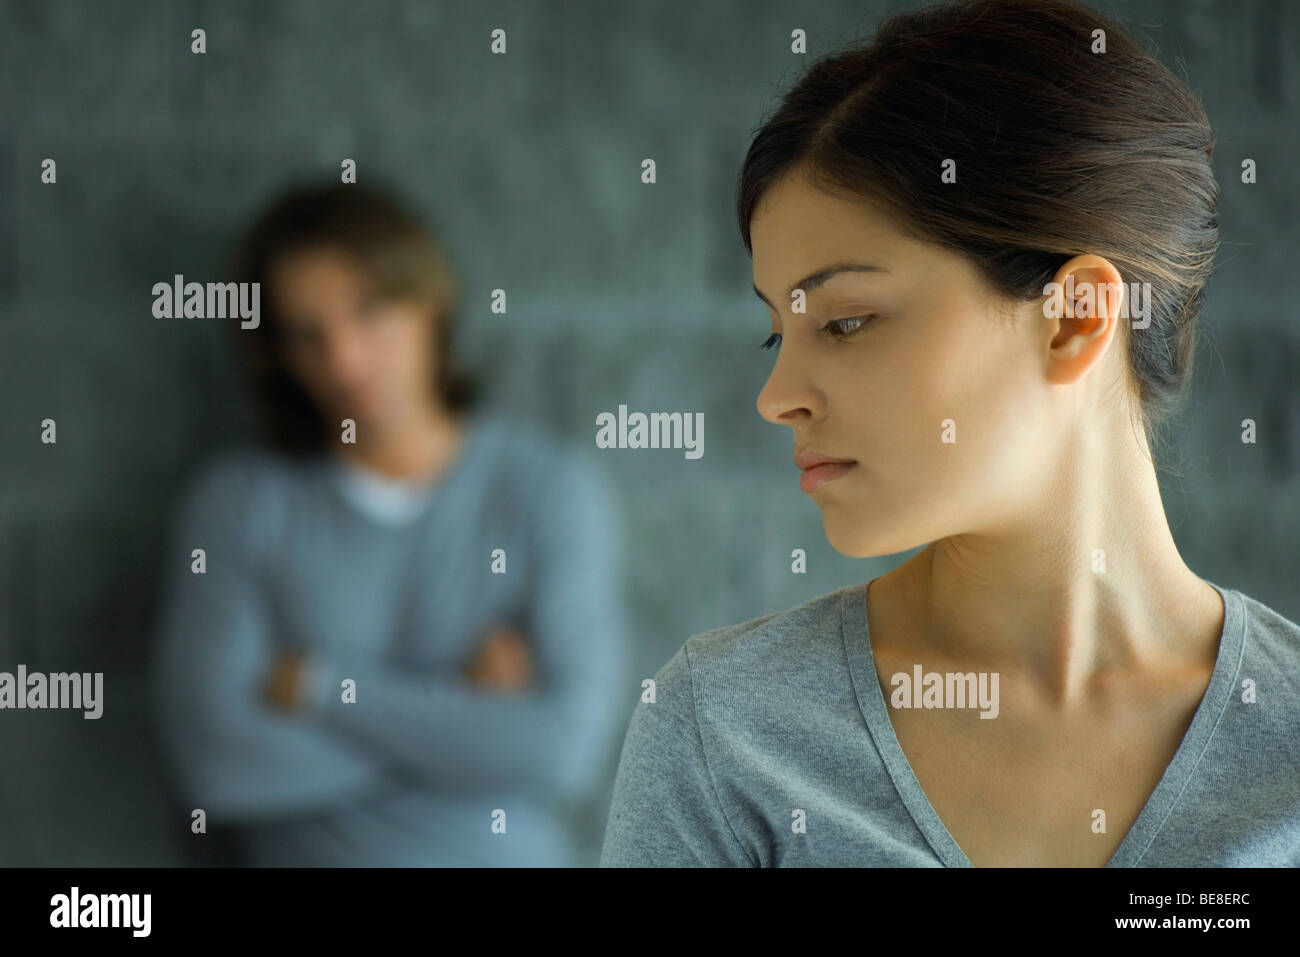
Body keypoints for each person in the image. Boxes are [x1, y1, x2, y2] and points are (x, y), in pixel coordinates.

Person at [600, 0, 1300, 867]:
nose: (776, 397)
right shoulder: (723, 734)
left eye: (847, 320)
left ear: (1074, 320)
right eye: (778, 330)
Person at [151, 180, 630, 866]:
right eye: (307, 334)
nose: (343, 359)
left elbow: (561, 749)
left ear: (430, 304)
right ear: (277, 355)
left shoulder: (547, 490)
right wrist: (460, 711)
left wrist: (318, 688)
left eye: (368, 311)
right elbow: (217, 763)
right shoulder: (238, 504)